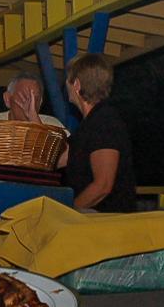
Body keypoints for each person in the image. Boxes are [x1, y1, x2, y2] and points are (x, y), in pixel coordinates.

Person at [57, 54, 136, 212]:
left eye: (67, 79)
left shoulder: (104, 122)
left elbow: (103, 185)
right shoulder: (88, 126)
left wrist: (68, 212)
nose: (65, 84)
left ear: (76, 84)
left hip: (106, 219)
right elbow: (57, 159)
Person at [0, 73, 67, 131]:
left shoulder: (52, 124)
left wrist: (35, 121)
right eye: (24, 97)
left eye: (35, 98)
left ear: (40, 102)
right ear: (7, 99)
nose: (29, 104)